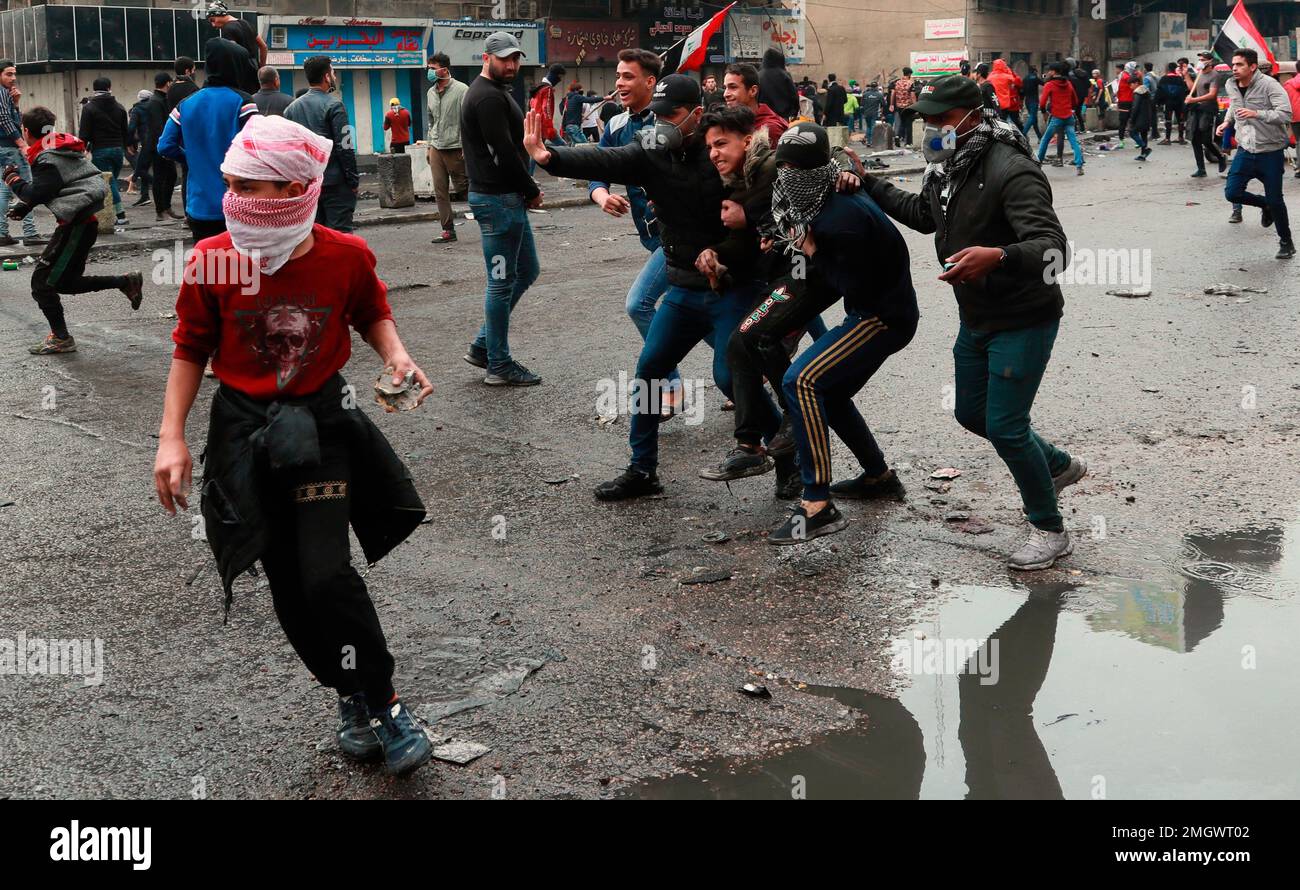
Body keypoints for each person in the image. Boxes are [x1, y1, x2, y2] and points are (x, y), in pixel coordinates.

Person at [153, 113, 435, 777]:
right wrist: (171, 437)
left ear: (294, 188)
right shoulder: (212, 258)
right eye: (230, 183)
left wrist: (396, 356)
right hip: (244, 432)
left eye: (253, 185)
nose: (237, 197)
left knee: (326, 574)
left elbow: (369, 312)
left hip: (321, 426)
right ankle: (347, 694)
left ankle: (386, 701)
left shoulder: (345, 255)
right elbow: (191, 346)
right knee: (285, 584)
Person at [864, 75, 1087, 570]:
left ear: (969, 116)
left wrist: (998, 256)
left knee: (1007, 427)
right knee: (972, 413)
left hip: (1023, 316)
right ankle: (1055, 465)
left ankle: (1049, 531)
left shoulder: (1011, 168)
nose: (930, 129)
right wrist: (868, 182)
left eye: (940, 120)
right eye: (926, 121)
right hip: (977, 316)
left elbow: (1054, 249)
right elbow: (924, 215)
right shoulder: (947, 168)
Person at [525, 74, 767, 500]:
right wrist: (550, 157)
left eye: (671, 115)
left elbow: (776, 185)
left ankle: (785, 453)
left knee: (730, 377)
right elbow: (603, 158)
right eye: (656, 116)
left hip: (731, 286)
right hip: (682, 287)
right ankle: (642, 471)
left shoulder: (723, 153)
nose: (662, 125)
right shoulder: (649, 155)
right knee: (650, 371)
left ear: (696, 113)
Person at [756, 122, 919, 544]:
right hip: (879, 308)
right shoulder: (832, 187)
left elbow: (852, 286)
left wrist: (813, 252)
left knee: (801, 380)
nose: (784, 176)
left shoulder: (839, 218)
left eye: (791, 169)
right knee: (831, 392)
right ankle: (878, 475)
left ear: (808, 173)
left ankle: (816, 503)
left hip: (879, 317)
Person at [699, 109, 868, 502]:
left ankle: (764, 441)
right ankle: (872, 470)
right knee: (752, 344)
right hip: (788, 276)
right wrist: (720, 253)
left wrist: (849, 171)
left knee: (748, 340)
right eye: (709, 146)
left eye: (721, 144)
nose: (714, 153)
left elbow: (833, 153)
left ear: (747, 139)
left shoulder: (773, 163)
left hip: (810, 277)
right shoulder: (739, 181)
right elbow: (759, 233)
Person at [3, 106, 143, 355]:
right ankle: (125, 281)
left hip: (76, 227)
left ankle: (61, 338)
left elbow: (42, 190)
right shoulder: (58, 148)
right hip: (79, 224)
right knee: (65, 283)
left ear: (26, 131)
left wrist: (14, 181)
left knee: (42, 283)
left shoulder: (47, 157)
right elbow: (59, 186)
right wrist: (25, 207)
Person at [589, 49, 680, 413]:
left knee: (638, 303)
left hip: (678, 235)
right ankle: (744, 375)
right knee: (701, 315)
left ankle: (671, 384)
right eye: (618, 76)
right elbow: (596, 168)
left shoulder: (669, 124)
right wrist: (601, 195)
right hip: (650, 237)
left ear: (650, 81)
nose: (620, 84)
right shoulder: (614, 126)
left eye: (628, 77)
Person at [461, 32, 544, 386]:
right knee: (500, 283)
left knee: (527, 271)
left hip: (506, 200)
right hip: (498, 202)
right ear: (486, 58)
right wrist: (531, 187)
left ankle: (483, 346)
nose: (511, 65)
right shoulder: (486, 98)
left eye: (515, 59)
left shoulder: (495, 93)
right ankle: (498, 364)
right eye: (504, 59)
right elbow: (504, 152)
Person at [158, 38, 259, 239]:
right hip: (239, 205)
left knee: (208, 266)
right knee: (241, 269)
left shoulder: (186, 104)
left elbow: (165, 146)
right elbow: (258, 147)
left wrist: (192, 158)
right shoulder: (244, 102)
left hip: (199, 207)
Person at [1218, 48, 1294, 259]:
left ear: (1252, 67)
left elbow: (1286, 113)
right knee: (1232, 193)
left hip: (1270, 150)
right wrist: (1227, 121)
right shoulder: (1231, 84)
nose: (1234, 68)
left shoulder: (1270, 85)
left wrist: (1257, 113)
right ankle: (1264, 204)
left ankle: (1286, 243)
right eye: (1233, 65)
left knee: (1276, 200)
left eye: (1239, 65)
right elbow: (1234, 104)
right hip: (1245, 148)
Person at [284, 55, 359, 233]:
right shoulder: (336, 105)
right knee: (340, 236)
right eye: (332, 72)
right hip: (335, 184)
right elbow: (345, 146)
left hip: (307, 185)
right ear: (326, 77)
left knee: (315, 236)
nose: (334, 76)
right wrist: (353, 180)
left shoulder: (290, 110)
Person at [424, 51, 469, 245]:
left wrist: (468, 146)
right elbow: (431, 120)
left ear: (444, 69)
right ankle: (448, 230)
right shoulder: (430, 92)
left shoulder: (462, 90)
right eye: (429, 68)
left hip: (456, 147)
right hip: (436, 146)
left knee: (464, 189)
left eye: (433, 69)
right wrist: (428, 146)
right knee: (439, 190)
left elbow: (469, 121)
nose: (430, 72)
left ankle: (490, 219)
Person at [78, 77, 128, 226]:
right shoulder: (120, 107)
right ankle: (109, 212)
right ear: (109, 87)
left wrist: (82, 149)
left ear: (94, 89)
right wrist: (128, 146)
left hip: (101, 150)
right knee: (111, 182)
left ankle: (121, 215)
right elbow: (125, 131)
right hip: (118, 151)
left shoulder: (89, 108)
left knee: (108, 184)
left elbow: (84, 133)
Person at [0, 58, 40, 246]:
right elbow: (6, 120)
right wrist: (22, 144)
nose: (13, 78)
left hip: (4, 147)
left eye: (14, 73)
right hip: (9, 147)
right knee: (27, 187)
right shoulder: (1, 92)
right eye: (8, 74)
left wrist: (16, 103)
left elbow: (16, 120)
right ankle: (31, 233)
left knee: (4, 190)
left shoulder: (7, 93)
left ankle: (2, 233)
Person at [143, 72, 180, 222]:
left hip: (163, 144)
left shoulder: (162, 99)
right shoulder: (156, 101)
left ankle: (166, 207)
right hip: (159, 146)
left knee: (171, 176)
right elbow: (158, 127)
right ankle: (161, 210)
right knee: (160, 177)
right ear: (168, 83)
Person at [1036, 64, 1084, 175]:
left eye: (1049, 71)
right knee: (1073, 142)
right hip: (1069, 117)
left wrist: (1044, 113)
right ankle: (1079, 166)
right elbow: (1075, 101)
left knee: (1045, 140)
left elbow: (1042, 102)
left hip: (1056, 118)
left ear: (1053, 72)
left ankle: (1038, 164)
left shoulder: (1049, 85)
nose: (1047, 73)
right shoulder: (1068, 84)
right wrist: (1070, 109)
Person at [723, 63, 788, 144]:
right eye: (725, 88)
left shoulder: (770, 130)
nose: (725, 94)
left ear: (753, 91)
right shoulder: (735, 122)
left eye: (733, 87)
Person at [1186, 50, 1226, 177]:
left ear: (1210, 62)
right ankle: (1201, 169)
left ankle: (1220, 156)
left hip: (1208, 110)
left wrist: (1194, 100)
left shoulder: (1214, 75)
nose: (1200, 62)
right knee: (1195, 139)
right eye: (1200, 60)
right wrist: (1186, 76)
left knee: (1206, 139)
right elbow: (1193, 88)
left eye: (1203, 60)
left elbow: (1212, 94)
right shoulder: (1199, 74)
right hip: (1197, 110)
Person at [205, 1, 266, 71]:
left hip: (241, 74)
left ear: (220, 14)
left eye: (213, 20)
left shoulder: (227, 29)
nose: (213, 25)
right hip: (255, 69)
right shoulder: (246, 23)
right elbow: (263, 46)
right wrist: (262, 68)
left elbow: (232, 55)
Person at [528, 64, 566, 173]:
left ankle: (529, 176)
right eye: (560, 77)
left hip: (536, 125)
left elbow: (531, 106)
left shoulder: (538, 88)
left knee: (536, 152)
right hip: (544, 127)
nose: (560, 80)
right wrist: (549, 127)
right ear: (557, 75)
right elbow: (547, 108)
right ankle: (567, 171)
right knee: (564, 147)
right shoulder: (547, 89)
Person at [125, 89, 155, 205]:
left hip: (146, 143)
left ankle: (156, 185)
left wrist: (129, 144)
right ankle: (145, 196)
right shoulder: (155, 107)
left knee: (140, 169)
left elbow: (131, 128)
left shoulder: (137, 109)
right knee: (145, 168)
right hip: (158, 142)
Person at [758, 48, 799, 120]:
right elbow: (794, 97)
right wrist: (793, 115)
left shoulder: (758, 76)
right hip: (783, 118)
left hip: (763, 118)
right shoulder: (785, 75)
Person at [1157, 62, 1189, 144]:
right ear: (1175, 68)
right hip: (1179, 103)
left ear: (1168, 69)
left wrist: (1159, 102)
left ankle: (1167, 139)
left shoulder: (1163, 79)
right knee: (1180, 120)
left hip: (1168, 103)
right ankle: (1181, 138)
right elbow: (1184, 91)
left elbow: (1160, 92)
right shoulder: (1180, 79)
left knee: (1168, 120)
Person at [1129, 68, 1154, 161]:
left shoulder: (1137, 93)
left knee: (1132, 132)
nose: (1130, 86)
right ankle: (1143, 154)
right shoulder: (1146, 91)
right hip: (1147, 116)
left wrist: (1132, 119)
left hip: (1139, 117)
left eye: (1131, 84)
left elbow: (1135, 107)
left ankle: (1144, 148)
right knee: (1144, 135)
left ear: (1136, 83)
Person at [988, 59, 1022, 128]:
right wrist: (1007, 70)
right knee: (1006, 122)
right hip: (1005, 105)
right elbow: (1015, 80)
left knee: (997, 124)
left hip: (994, 104)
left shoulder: (990, 77)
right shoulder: (1007, 77)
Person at [890, 67, 919, 145]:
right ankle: (908, 143)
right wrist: (916, 106)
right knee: (908, 124)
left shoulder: (897, 82)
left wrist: (892, 104)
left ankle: (897, 136)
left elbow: (893, 94)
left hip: (899, 106)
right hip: (908, 107)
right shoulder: (910, 83)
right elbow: (912, 96)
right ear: (909, 74)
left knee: (902, 123)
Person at [1284, 70, 1300, 178]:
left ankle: (1299, 168)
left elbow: (1285, 101)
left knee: (1299, 141)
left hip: (1295, 116)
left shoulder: (1288, 84)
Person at [1020, 66, 1043, 139]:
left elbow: (1022, 92)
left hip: (1027, 101)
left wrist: (1021, 101)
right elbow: (1044, 83)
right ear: (1035, 71)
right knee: (1032, 117)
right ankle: (1023, 133)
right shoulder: (1035, 78)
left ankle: (1039, 137)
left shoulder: (1025, 79)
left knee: (1034, 120)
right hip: (1034, 100)